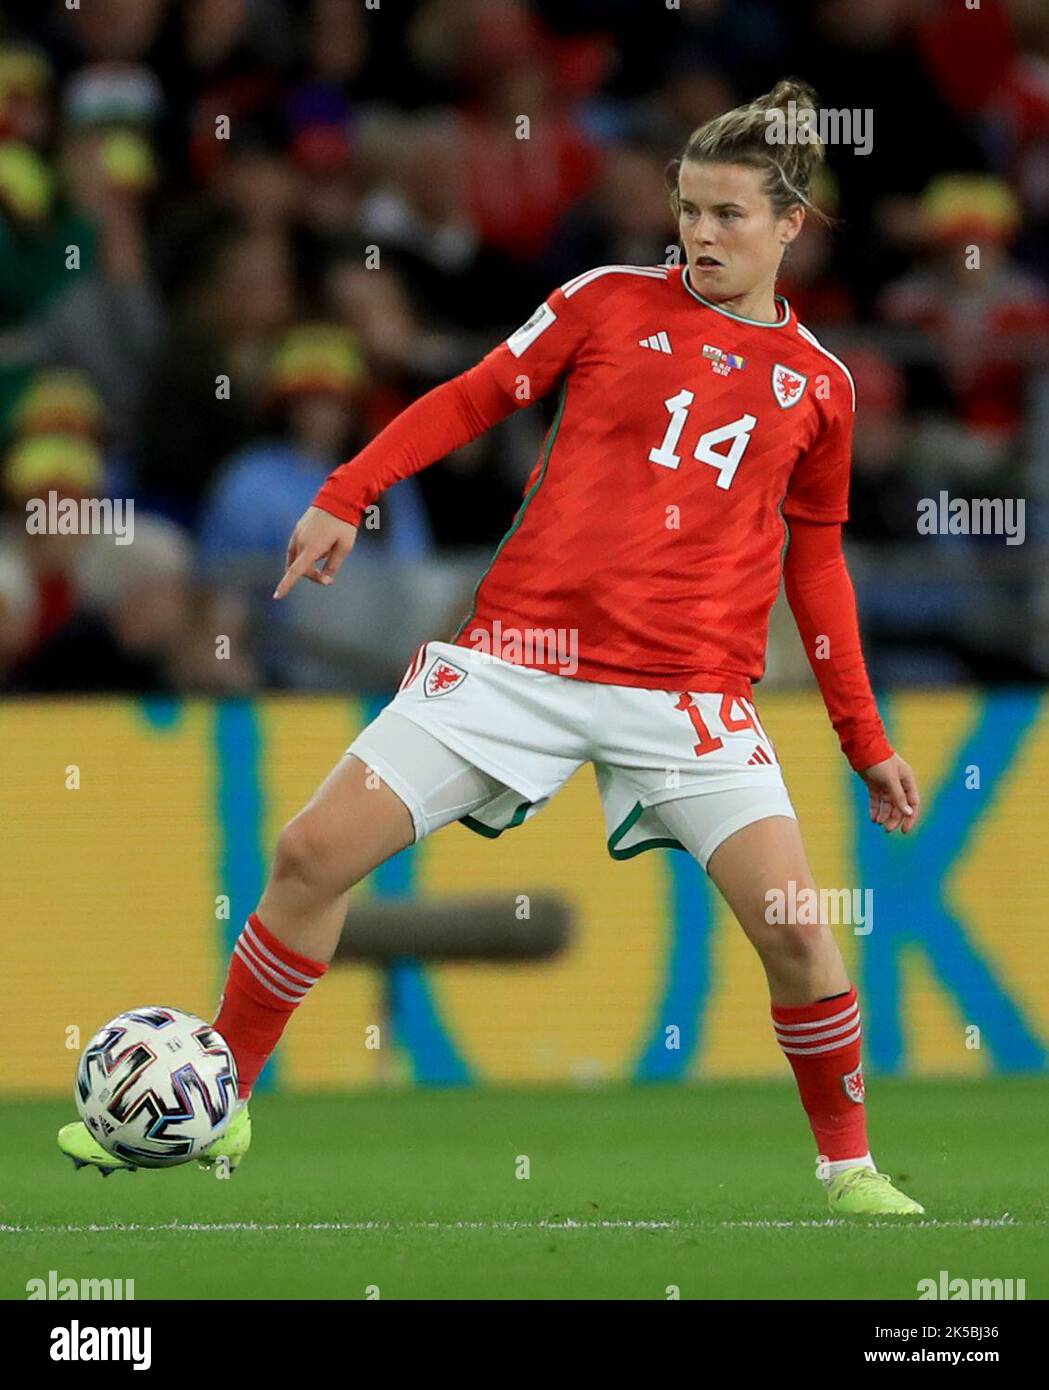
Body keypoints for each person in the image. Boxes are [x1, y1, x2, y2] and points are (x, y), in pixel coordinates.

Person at [59, 80, 924, 1215]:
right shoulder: (605, 300)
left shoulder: (820, 389)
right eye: (690, 210)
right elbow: (471, 398)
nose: (701, 234)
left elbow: (812, 569)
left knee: (799, 939)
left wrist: (863, 738)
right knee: (311, 854)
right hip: (516, 659)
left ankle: (848, 1170)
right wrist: (345, 492)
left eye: (727, 215)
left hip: (684, 696)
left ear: (787, 227)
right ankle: (217, 1100)